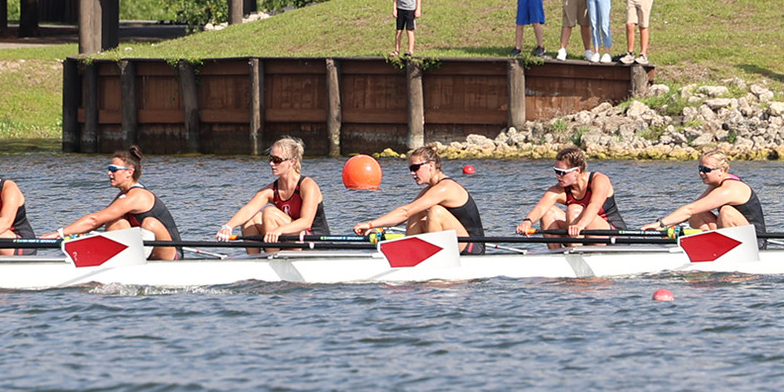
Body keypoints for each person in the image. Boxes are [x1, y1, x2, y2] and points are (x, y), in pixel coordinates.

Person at [48, 146, 182, 260]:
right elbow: (100, 220)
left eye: (113, 169)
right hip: (148, 248)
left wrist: (58, 234)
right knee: (115, 222)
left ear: (129, 173)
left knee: (150, 223)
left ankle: (136, 259)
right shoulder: (124, 195)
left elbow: (94, 220)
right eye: (108, 169)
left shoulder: (137, 195)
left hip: (171, 252)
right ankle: (129, 258)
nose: (109, 173)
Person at [353, 145, 484, 254]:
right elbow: (406, 214)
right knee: (417, 212)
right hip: (456, 243)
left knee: (436, 212)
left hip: (473, 248)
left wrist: (370, 224)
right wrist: (377, 226)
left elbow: (405, 212)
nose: (412, 173)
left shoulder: (445, 188)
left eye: (415, 168)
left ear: (431, 166)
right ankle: (412, 255)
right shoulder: (431, 189)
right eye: (410, 169)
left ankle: (432, 259)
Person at [216, 137, 329, 249]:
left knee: (270, 213)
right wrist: (227, 227)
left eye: (277, 160)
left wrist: (279, 230)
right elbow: (248, 209)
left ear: (292, 162)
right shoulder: (271, 190)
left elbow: (306, 222)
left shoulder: (308, 185)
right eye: (270, 159)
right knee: (251, 219)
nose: (271, 163)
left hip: (314, 240)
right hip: (290, 238)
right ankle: (256, 260)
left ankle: (272, 256)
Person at [643, 153, 766, 238]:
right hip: (734, 233)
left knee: (726, 211)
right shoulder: (716, 184)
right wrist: (667, 228)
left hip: (754, 240)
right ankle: (709, 244)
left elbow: (688, 210)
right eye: (699, 168)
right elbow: (693, 208)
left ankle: (722, 247)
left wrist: (660, 224)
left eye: (706, 170)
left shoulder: (730, 188)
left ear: (721, 170)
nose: (701, 173)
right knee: (698, 211)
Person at [516, 147, 626, 243]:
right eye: (556, 171)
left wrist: (580, 225)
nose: (558, 176)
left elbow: (594, 206)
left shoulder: (599, 180)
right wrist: (527, 222)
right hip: (581, 232)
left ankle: (576, 251)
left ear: (577, 170)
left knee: (574, 209)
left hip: (612, 233)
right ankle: (557, 254)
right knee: (548, 212)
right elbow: (541, 207)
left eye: (562, 172)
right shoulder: (560, 189)